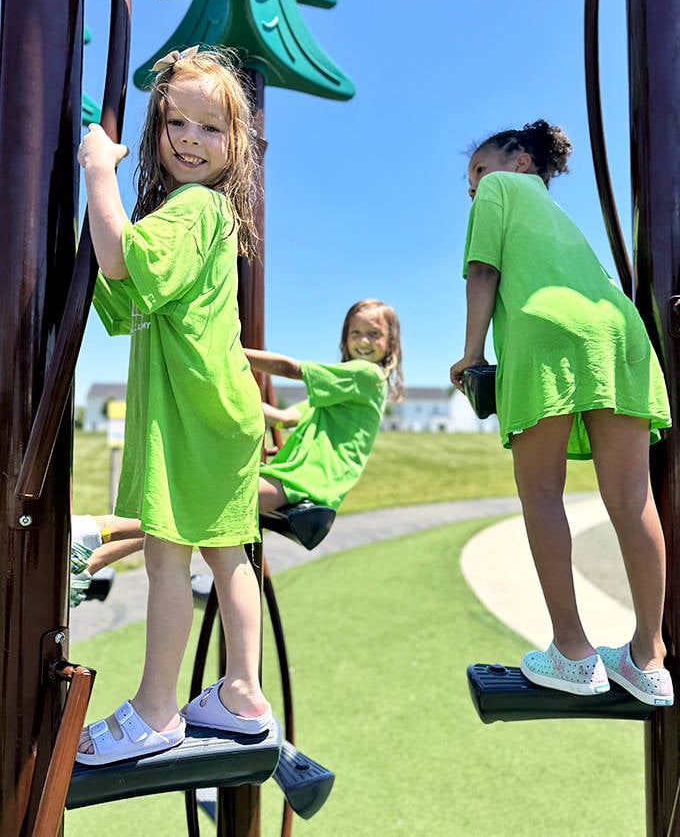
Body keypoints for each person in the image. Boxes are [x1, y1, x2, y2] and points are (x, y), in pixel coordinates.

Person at [75, 46, 272, 766]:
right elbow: (121, 283)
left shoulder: (191, 209)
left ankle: (157, 710)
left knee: (166, 562)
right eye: (176, 122)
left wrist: (99, 170)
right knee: (229, 557)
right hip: (222, 412)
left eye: (211, 129)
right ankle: (245, 693)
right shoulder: (214, 215)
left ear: (237, 145)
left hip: (193, 414)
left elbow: (122, 260)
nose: (190, 139)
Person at [450, 119, 674, 706]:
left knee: (541, 494)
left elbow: (483, 273)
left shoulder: (501, 193)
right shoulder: (559, 220)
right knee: (633, 499)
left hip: (546, 332)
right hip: (621, 335)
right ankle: (649, 657)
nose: (473, 186)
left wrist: (472, 354)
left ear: (520, 160)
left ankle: (573, 652)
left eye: (479, 169)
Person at [70, 298, 404, 583]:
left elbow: (291, 369)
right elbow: (283, 417)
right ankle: (90, 564)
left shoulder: (367, 376)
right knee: (182, 518)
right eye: (355, 332)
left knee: (186, 505)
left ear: (390, 343)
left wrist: (225, 353)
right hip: (290, 477)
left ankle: (96, 529)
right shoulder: (341, 390)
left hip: (303, 483)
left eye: (374, 334)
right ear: (345, 338)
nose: (363, 340)